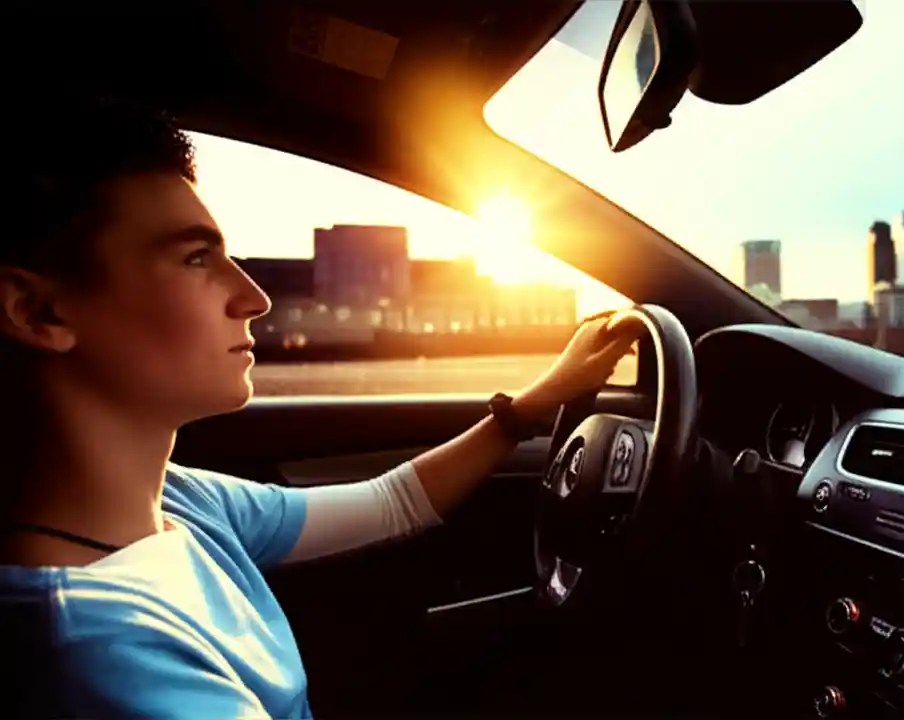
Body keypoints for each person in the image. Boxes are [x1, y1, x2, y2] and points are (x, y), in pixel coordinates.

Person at [0, 95, 643, 718]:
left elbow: (395, 501)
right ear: (39, 312)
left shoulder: (179, 503)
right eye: (196, 258)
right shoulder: (99, 650)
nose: (254, 297)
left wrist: (536, 402)